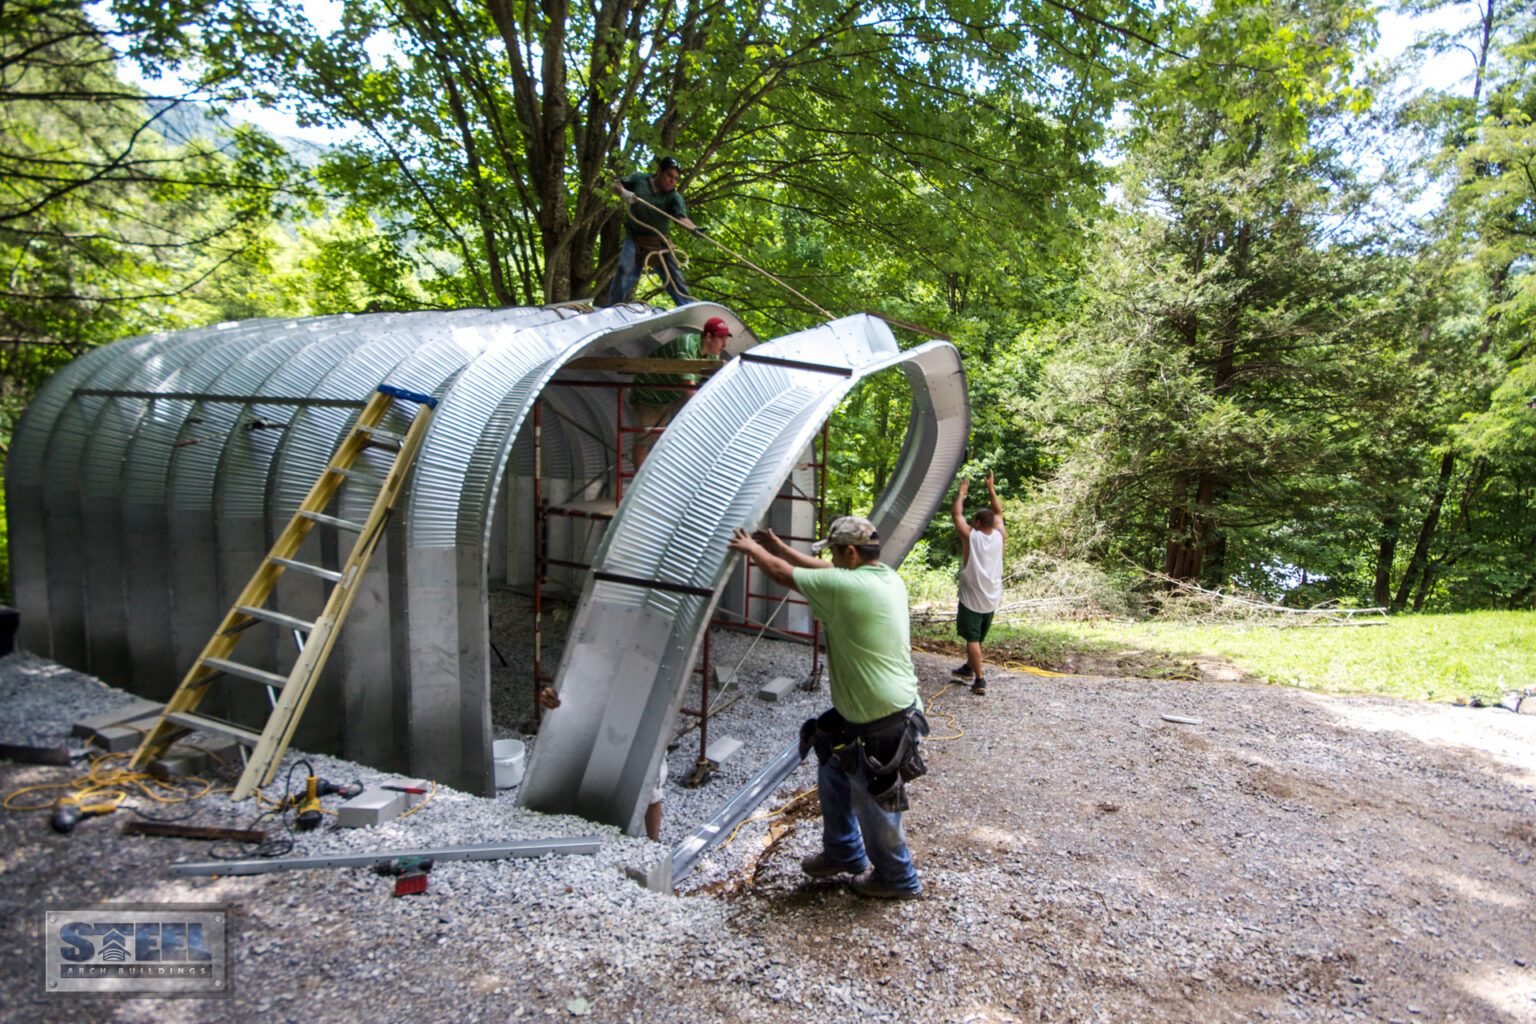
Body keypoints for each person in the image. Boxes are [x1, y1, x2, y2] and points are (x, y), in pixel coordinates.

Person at [728, 516, 928, 900]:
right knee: (833, 765)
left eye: (835, 553)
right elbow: (822, 569)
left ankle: (898, 879)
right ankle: (843, 851)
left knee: (875, 803)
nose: (831, 560)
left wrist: (751, 549)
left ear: (850, 552)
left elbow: (783, 575)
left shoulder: (846, 587)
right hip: (875, 713)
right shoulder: (885, 576)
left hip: (882, 723)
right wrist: (778, 547)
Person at [540, 686, 667, 841]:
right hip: (600, 715)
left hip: (645, 719)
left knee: (649, 788)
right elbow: (570, 689)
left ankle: (653, 843)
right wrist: (553, 695)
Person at [629, 316, 731, 469]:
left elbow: (708, 385)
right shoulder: (687, 344)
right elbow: (688, 386)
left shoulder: (712, 355)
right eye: (721, 339)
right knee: (643, 438)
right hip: (649, 394)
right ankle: (639, 480)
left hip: (670, 395)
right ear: (709, 337)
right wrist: (707, 417)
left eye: (726, 339)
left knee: (663, 436)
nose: (725, 344)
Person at [606, 155, 701, 307]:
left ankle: (686, 307)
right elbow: (615, 185)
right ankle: (614, 307)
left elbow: (681, 218)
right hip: (634, 238)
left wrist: (694, 229)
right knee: (624, 269)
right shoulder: (639, 179)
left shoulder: (674, 197)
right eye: (669, 176)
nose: (672, 181)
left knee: (675, 279)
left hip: (659, 242)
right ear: (659, 171)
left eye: (676, 179)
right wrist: (623, 192)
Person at [950, 471, 1005, 695]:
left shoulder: (970, 536)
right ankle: (969, 667)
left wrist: (962, 492)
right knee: (978, 636)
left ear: (977, 522)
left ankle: (980, 680)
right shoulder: (1000, 535)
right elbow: (999, 512)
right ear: (992, 523)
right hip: (992, 597)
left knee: (972, 638)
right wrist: (991, 488)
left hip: (971, 598)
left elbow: (956, 515)